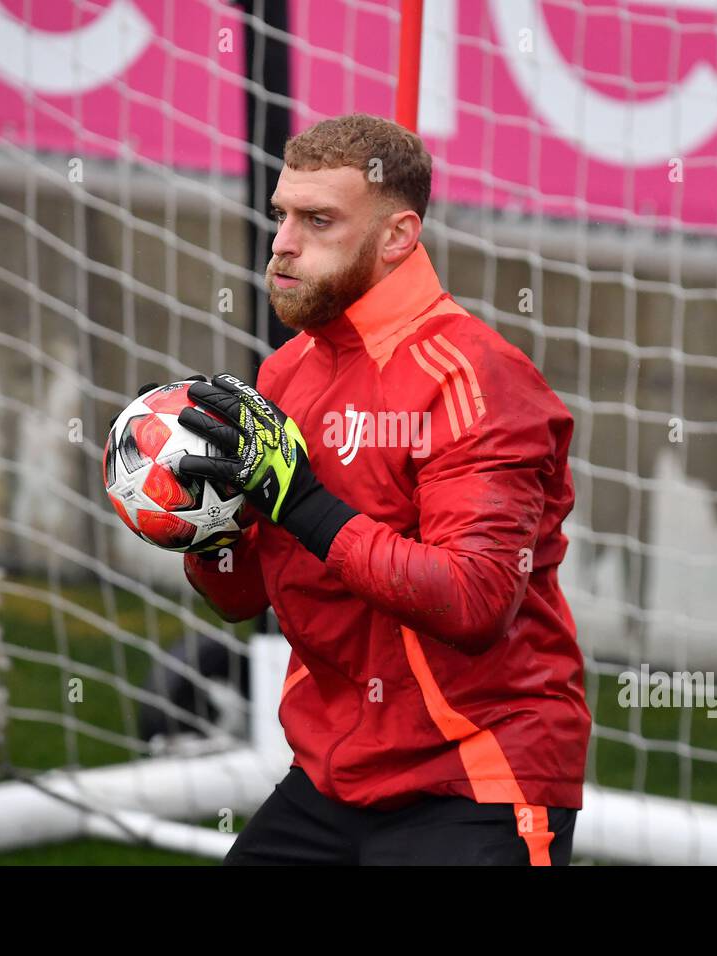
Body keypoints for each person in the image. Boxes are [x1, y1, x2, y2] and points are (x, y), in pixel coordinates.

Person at [177, 113, 590, 865]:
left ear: (398, 236)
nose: (282, 245)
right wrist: (203, 525)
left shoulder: (475, 378)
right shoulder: (286, 374)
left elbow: (475, 601)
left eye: (318, 221)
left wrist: (303, 505)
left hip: (476, 782)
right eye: (281, 217)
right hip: (334, 777)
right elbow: (240, 599)